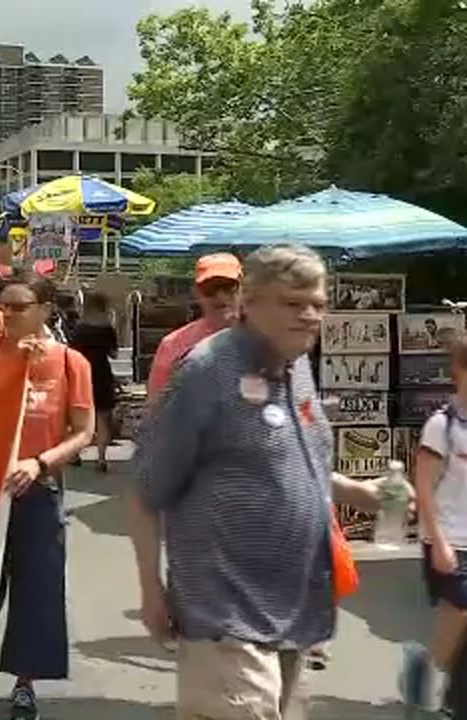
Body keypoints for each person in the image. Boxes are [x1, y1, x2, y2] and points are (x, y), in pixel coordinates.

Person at [129, 244, 394, 720]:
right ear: (249, 302)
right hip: (225, 617)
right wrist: (151, 592)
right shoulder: (205, 371)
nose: (310, 315)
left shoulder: (298, 366)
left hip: (296, 615)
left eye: (318, 302)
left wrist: (363, 494)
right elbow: (147, 490)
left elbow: (292, 463)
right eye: (293, 303)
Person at [0, 272, 94, 720]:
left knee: (36, 587)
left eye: (20, 307)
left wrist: (39, 463)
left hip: (37, 486)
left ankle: (25, 683)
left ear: (45, 311)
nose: (10, 315)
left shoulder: (71, 362)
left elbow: (83, 433)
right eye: (6, 307)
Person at [401, 330, 467, 717]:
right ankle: (425, 665)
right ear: (459, 370)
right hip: (449, 537)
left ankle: (455, 702)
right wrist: (437, 541)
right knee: (460, 611)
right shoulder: (442, 426)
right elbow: (422, 486)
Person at [145, 253, 243, 402]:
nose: (220, 295)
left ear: (243, 288)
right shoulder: (173, 345)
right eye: (210, 289)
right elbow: (155, 407)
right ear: (197, 293)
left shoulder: (267, 339)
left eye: (228, 287)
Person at [68, 291, 119, 472]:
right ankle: (102, 458)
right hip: (102, 372)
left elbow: (71, 352)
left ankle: (75, 454)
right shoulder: (107, 328)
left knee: (79, 413)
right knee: (103, 415)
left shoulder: (80, 328)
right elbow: (114, 354)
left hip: (82, 372)